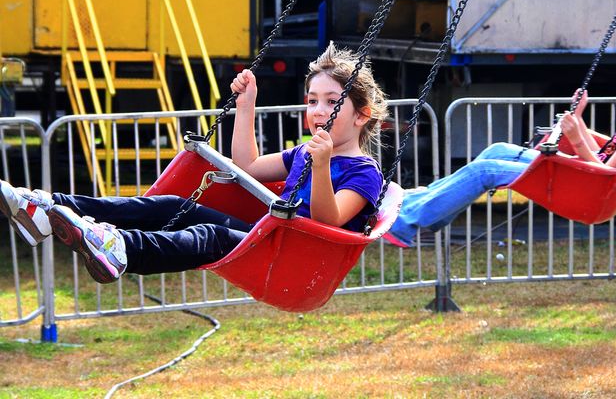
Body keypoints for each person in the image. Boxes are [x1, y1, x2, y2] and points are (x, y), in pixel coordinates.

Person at [0, 44, 388, 283]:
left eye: (331, 101)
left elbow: (329, 222)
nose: (318, 110)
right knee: (174, 206)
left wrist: (321, 169)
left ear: (361, 115)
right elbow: (248, 167)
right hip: (269, 237)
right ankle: (51, 206)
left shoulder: (364, 173)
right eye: (311, 100)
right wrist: (246, 107)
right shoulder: (306, 151)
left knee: (211, 236)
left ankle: (121, 248)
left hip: (296, 260)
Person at [384, 49, 616, 248]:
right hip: (581, 174)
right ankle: (422, 204)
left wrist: (577, 138)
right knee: (497, 149)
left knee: (484, 171)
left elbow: (606, 171)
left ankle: (407, 222)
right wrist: (578, 119)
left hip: (584, 184)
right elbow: (608, 153)